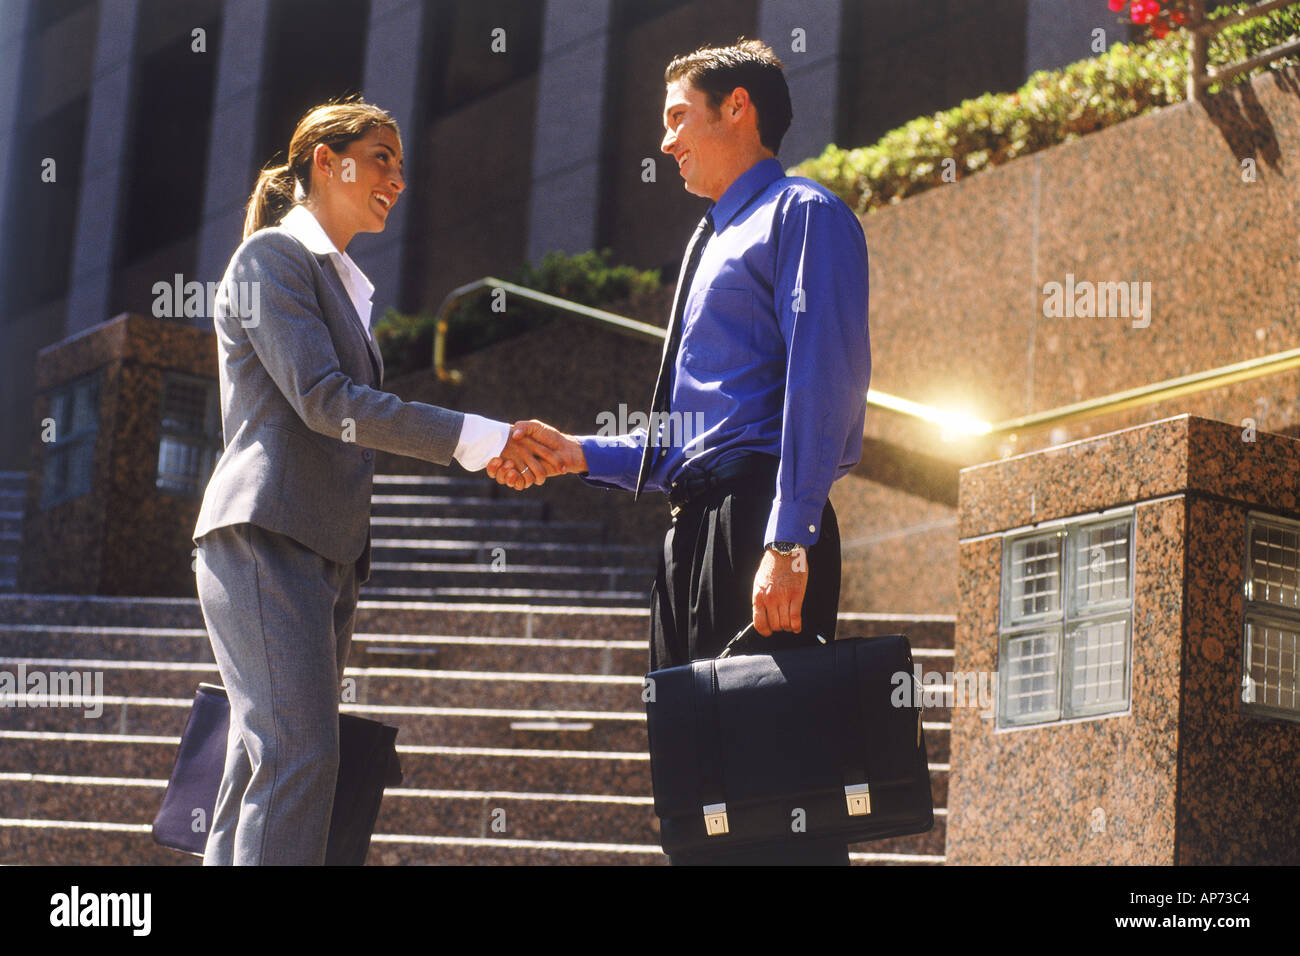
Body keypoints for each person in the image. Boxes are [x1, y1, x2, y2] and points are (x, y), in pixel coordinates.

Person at [489, 40, 871, 865]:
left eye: (677, 117)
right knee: (700, 806)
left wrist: (789, 541)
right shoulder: (706, 241)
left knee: (776, 803)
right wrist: (577, 453)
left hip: (758, 526)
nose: (665, 142)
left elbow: (825, 381)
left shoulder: (803, 215)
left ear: (739, 108)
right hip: (690, 531)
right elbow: (682, 438)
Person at [192, 96, 557, 865]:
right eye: (381, 157)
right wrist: (479, 438)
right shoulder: (270, 260)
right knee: (297, 759)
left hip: (321, 549)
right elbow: (327, 400)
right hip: (267, 536)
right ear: (327, 162)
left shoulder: (339, 284)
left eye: (401, 161)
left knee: (263, 763)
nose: (397, 176)